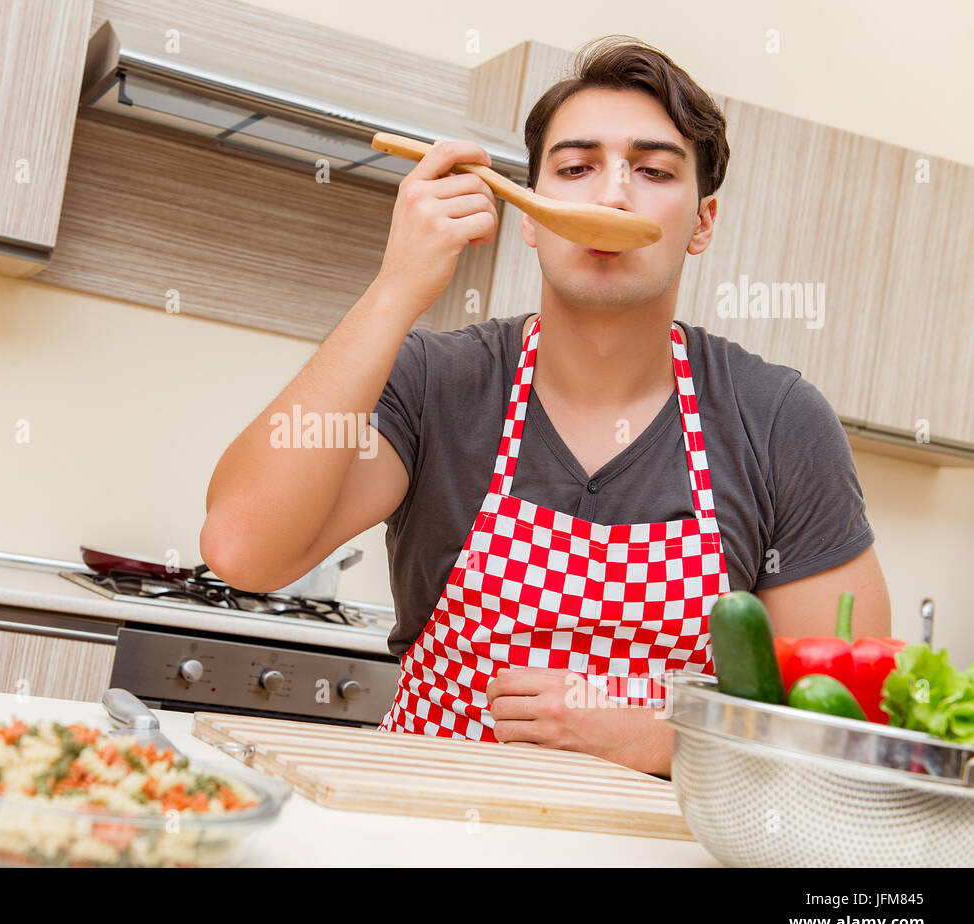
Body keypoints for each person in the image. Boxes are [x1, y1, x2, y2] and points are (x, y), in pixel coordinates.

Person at [200, 35, 890, 777]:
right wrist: (395, 288)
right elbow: (244, 551)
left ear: (703, 223)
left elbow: (846, 725)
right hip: (420, 831)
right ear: (529, 215)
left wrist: (663, 740)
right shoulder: (439, 383)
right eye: (575, 168)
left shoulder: (778, 420)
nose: (612, 194)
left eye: (653, 170)